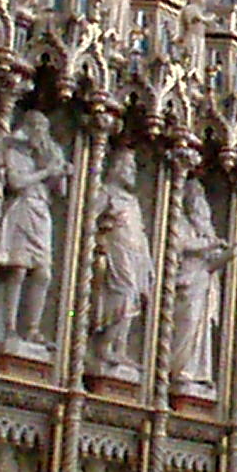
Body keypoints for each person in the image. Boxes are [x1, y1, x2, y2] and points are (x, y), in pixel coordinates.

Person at [0, 111, 67, 345]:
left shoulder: (44, 156)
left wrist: (59, 171)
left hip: (41, 213)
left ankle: (33, 329)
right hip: (23, 208)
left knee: (43, 273)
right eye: (37, 126)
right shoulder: (15, 152)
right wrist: (45, 172)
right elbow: (15, 182)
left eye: (44, 128)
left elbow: (61, 192)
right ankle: (9, 328)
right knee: (18, 270)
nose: (41, 133)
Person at [171, 178, 237, 390]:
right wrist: (210, 244)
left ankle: (197, 372)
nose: (203, 206)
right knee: (188, 323)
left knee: (203, 329)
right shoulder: (180, 222)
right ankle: (178, 371)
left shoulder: (206, 231)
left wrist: (231, 253)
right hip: (186, 283)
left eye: (204, 202)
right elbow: (181, 245)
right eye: (197, 200)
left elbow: (211, 264)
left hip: (204, 284)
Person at [91, 148, 153, 370]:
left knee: (134, 299)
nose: (132, 172)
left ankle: (120, 348)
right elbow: (88, 217)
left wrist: (148, 263)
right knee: (123, 296)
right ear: (116, 169)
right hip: (116, 251)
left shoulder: (133, 201)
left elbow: (141, 232)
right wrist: (99, 237)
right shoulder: (107, 193)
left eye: (134, 169)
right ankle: (104, 346)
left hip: (135, 255)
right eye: (128, 167)